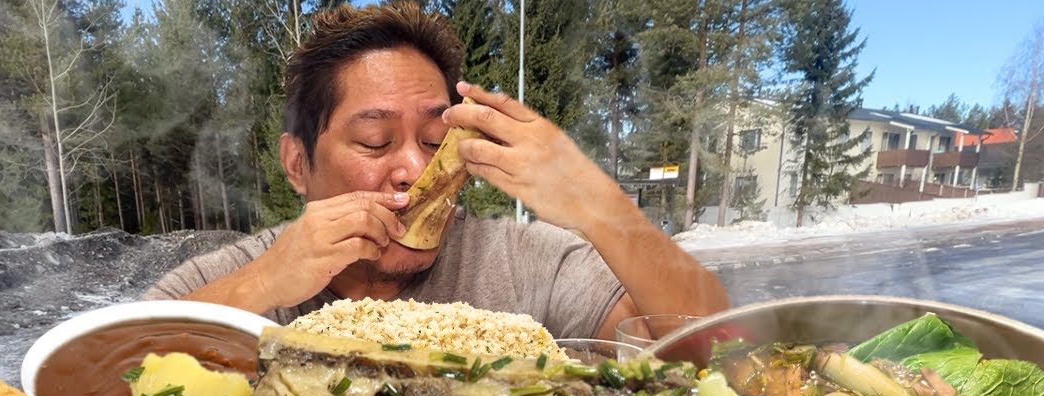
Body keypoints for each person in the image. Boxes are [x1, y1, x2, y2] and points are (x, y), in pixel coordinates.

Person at [143, 2, 729, 340]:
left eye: (434, 141)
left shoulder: (531, 267)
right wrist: (262, 284)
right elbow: (96, 393)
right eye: (375, 141)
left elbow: (716, 356)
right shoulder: (236, 278)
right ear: (298, 164)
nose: (414, 171)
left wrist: (603, 208)